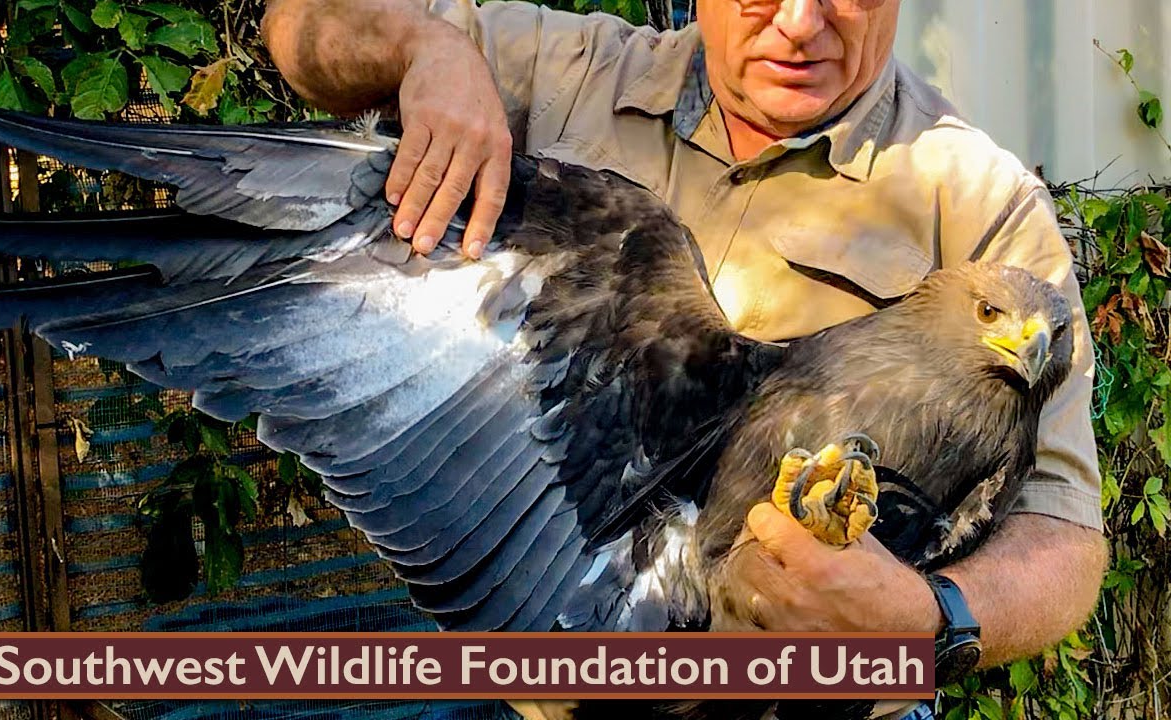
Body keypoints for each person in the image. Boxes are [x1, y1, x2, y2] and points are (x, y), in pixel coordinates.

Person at [261, 0, 1109, 716]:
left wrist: (931, 619)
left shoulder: (980, 203)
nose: (800, 22)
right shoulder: (564, 71)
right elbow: (303, 27)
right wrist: (423, 48)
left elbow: (1062, 538)